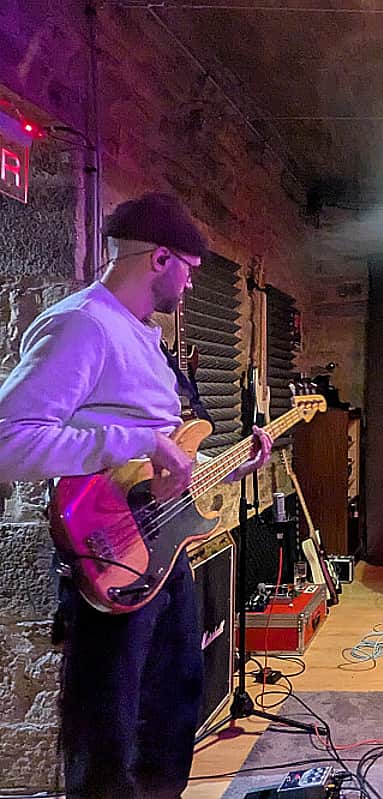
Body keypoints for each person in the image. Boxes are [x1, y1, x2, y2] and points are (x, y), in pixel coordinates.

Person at [0, 192, 273, 798]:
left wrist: (227, 468)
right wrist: (140, 441)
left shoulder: (142, 336)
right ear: (160, 259)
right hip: (107, 551)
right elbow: (10, 442)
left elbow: (159, 458)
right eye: (190, 269)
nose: (192, 284)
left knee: (171, 715)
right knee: (108, 735)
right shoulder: (83, 324)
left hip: (162, 551)